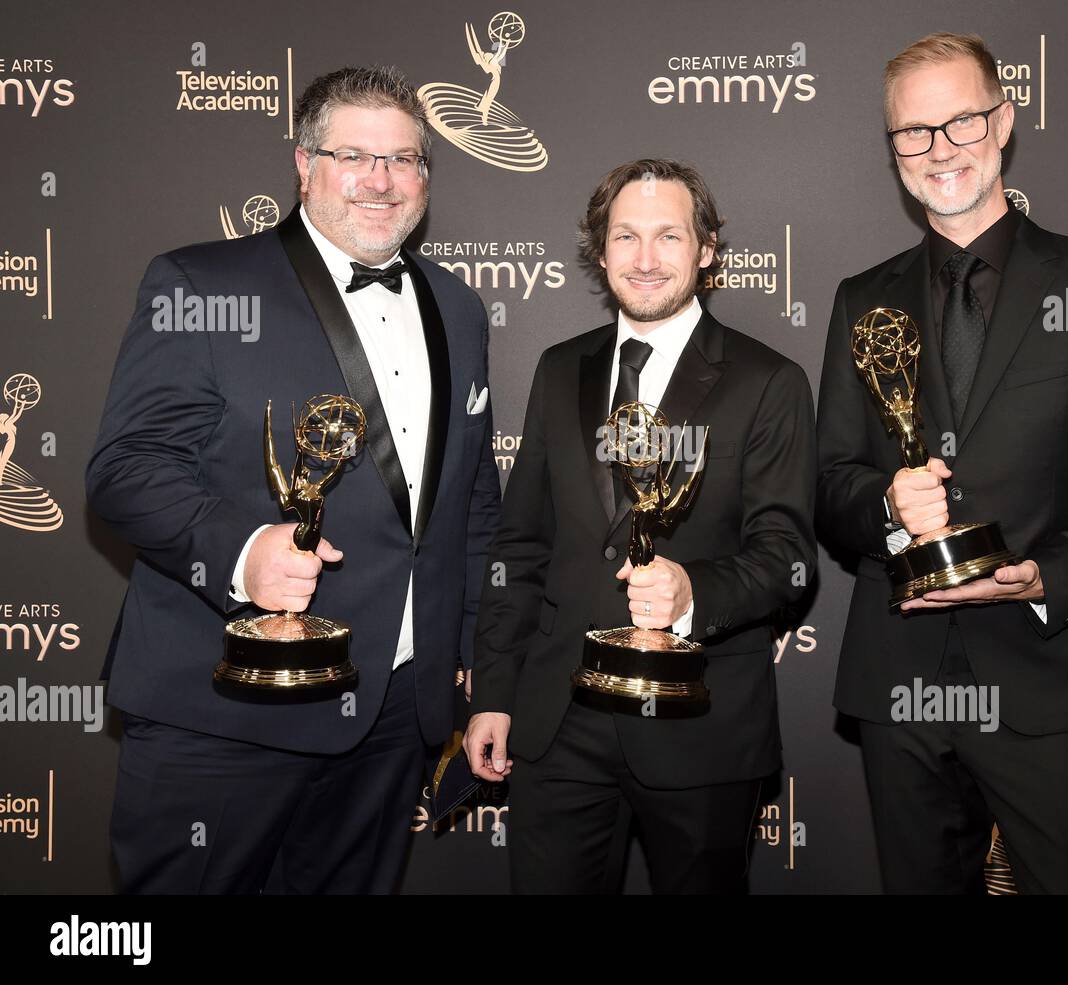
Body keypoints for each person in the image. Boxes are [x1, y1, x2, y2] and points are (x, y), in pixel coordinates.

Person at [86, 65, 500, 893]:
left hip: (392, 711)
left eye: (406, 159)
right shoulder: (201, 283)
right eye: (355, 155)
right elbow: (125, 470)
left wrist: (472, 655)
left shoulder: (456, 304)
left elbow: (470, 499)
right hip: (226, 707)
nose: (382, 181)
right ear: (304, 164)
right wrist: (240, 554)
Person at [817, 33, 1068, 893]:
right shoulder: (860, 299)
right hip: (899, 685)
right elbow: (831, 482)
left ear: (1005, 120)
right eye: (914, 132)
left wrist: (1041, 576)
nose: (939, 149)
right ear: (892, 149)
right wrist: (886, 505)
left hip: (1047, 677)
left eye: (961, 122)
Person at [466, 159, 816, 894]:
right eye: (626, 236)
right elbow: (521, 544)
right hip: (559, 721)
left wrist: (691, 593)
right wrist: (495, 691)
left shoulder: (768, 381)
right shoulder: (560, 369)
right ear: (600, 252)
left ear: (708, 249)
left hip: (701, 724)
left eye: (669, 236)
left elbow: (788, 559)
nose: (647, 259)